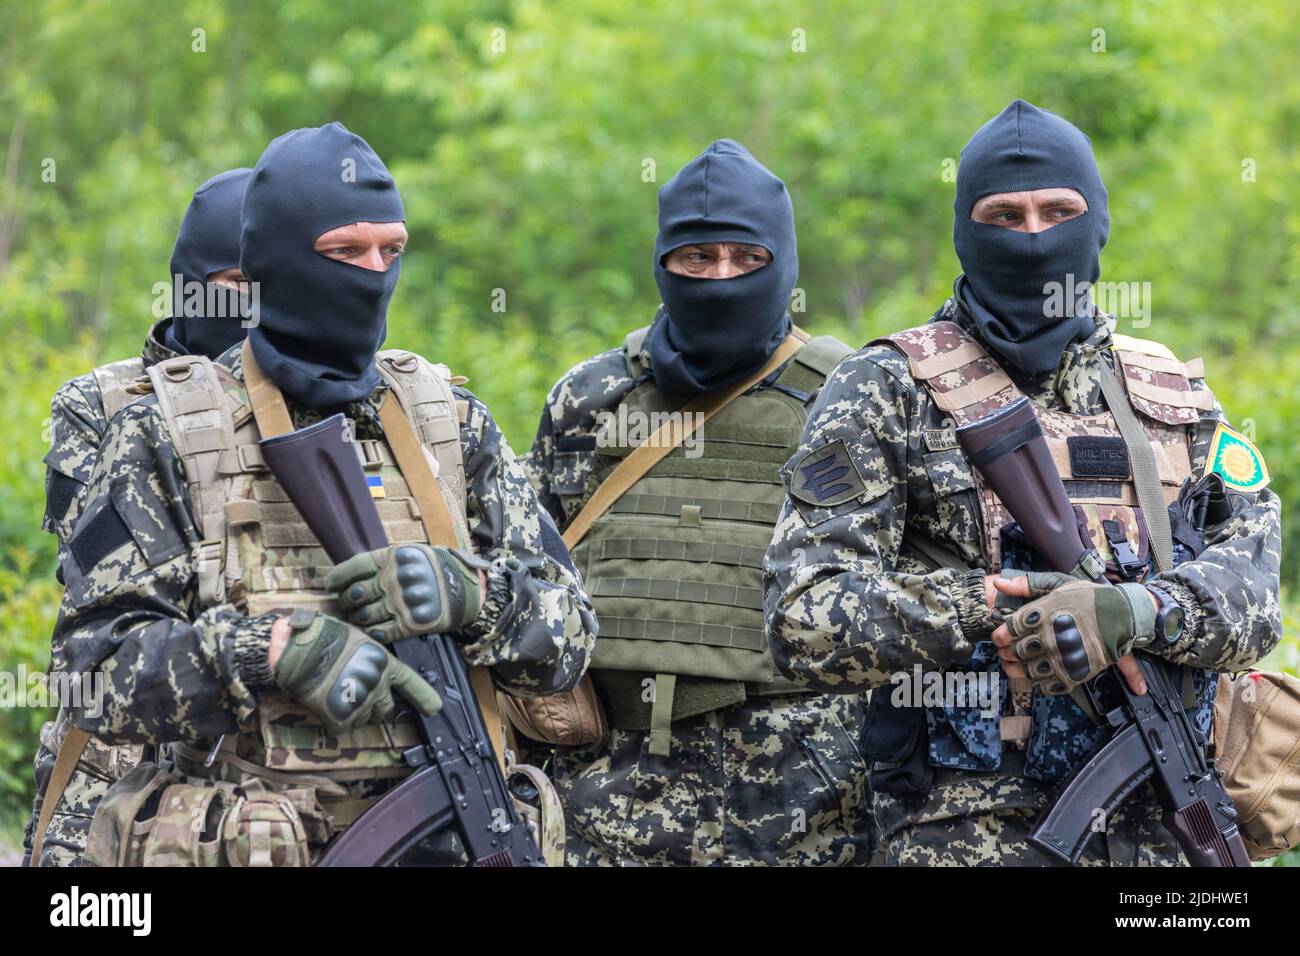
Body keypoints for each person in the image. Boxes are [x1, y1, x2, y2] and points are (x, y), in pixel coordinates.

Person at [44, 123, 595, 866]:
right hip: (253, 839)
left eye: (390, 250)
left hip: (455, 831)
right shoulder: (167, 431)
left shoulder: (449, 424)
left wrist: (477, 597)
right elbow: (88, 674)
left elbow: (573, 636)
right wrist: (258, 652)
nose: (372, 272)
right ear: (272, 263)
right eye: (345, 251)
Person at [764, 100, 1281, 866]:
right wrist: (993, 603)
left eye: (1058, 211)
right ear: (966, 233)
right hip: (960, 832)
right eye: (1004, 215)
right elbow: (802, 619)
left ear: (1096, 222)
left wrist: (1135, 609)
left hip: (1162, 826)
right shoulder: (885, 388)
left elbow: (1256, 594)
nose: (1035, 236)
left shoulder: (1171, 396)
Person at [525, 140, 874, 865]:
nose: (722, 278)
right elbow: (532, 571)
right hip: (610, 796)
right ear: (663, 264)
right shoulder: (590, 400)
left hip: (811, 797)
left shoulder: (848, 394)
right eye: (697, 258)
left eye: (748, 259)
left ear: (786, 263)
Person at [26, 166, 253, 867]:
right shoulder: (101, 403)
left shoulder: (299, 399)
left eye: (266, 284)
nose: (251, 304)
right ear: (188, 282)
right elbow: (97, 571)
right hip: (114, 748)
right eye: (233, 284)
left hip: (252, 744)